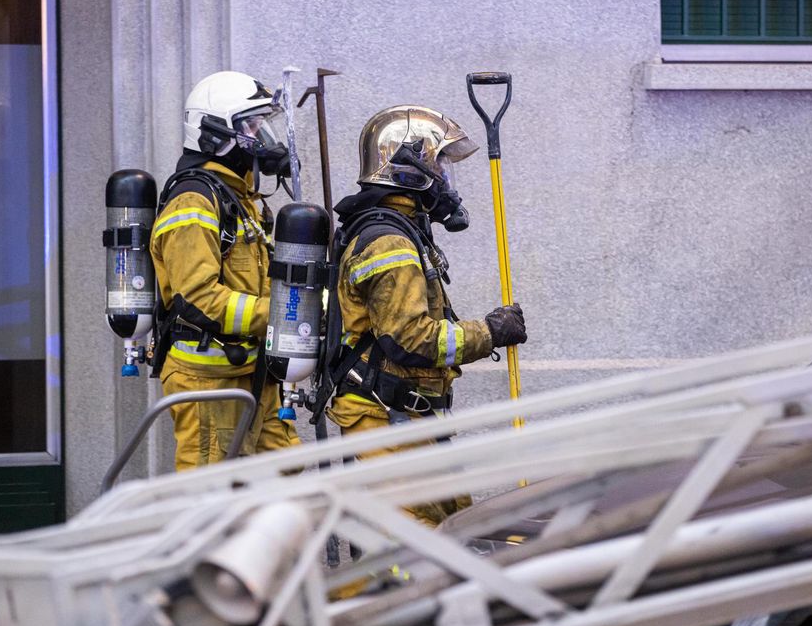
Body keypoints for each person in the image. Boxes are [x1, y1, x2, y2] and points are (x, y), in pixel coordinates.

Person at [325, 105, 528, 526]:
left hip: (410, 421)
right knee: (408, 548)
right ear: (408, 169)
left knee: (450, 533)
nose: (445, 181)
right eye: (439, 166)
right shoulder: (390, 243)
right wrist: (490, 332)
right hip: (388, 423)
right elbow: (411, 339)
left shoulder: (400, 232)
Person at [149, 71, 300, 470]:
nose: (262, 138)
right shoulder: (193, 201)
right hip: (209, 382)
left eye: (262, 124)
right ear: (215, 133)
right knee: (214, 497)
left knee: (292, 480)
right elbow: (198, 299)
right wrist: (282, 316)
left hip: (253, 372)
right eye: (251, 126)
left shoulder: (240, 199)